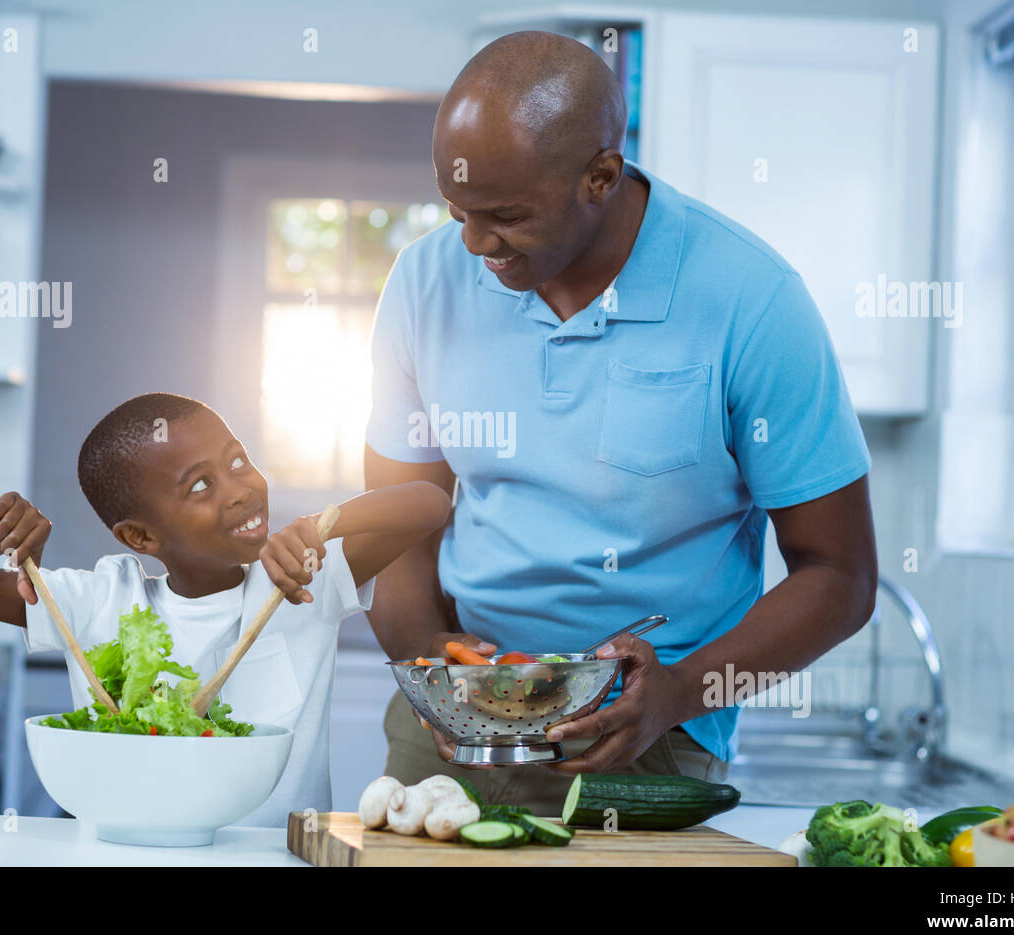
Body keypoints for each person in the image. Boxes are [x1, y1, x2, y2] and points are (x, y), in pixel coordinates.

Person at [364, 32, 878, 815]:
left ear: (600, 177)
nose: (471, 244)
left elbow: (839, 577)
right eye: (456, 209)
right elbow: (395, 533)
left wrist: (673, 694)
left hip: (650, 735)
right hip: (451, 720)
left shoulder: (752, 298)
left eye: (503, 216)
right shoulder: (423, 280)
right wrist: (435, 673)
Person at [0, 392, 452, 826]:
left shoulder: (297, 577)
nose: (241, 489)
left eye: (238, 460)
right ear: (140, 536)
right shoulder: (100, 601)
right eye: (201, 485)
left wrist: (322, 524)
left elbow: (428, 503)